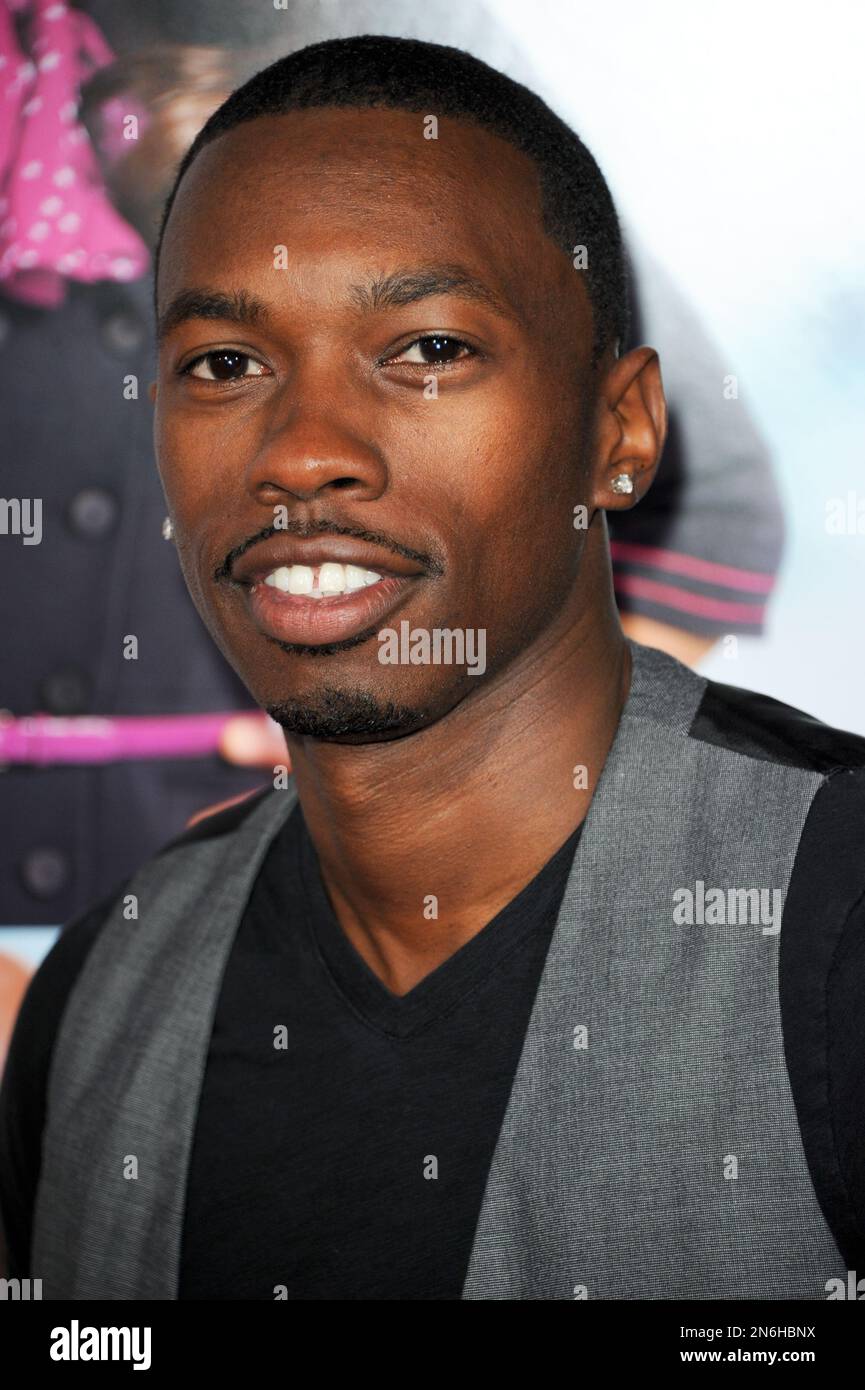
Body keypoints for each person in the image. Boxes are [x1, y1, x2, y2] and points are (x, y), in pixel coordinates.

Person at [3, 35, 855, 1302]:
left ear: (619, 431)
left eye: (430, 350)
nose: (304, 453)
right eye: (225, 365)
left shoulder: (829, 929)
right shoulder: (97, 1008)